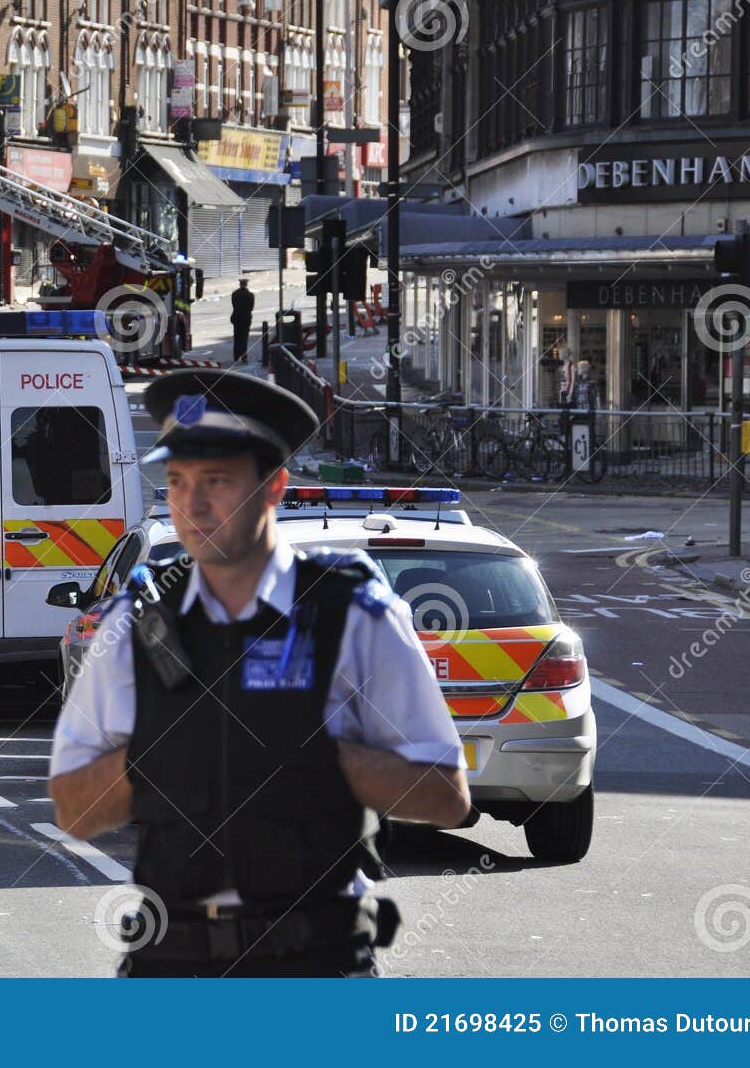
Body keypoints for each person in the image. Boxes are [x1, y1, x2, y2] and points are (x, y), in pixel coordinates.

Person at [49, 369, 470, 977]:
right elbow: (73, 810)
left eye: (216, 481)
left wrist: (313, 755)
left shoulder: (353, 615)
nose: (192, 504)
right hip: (175, 964)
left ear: (274, 486)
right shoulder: (135, 629)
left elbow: (448, 797)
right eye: (177, 481)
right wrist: (160, 755)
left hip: (315, 966)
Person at [229, 279, 255, 364]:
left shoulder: (235, 294)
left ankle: (236, 356)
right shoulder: (250, 295)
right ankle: (244, 357)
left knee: (237, 337)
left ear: (240, 284)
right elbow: (251, 308)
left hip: (236, 318)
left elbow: (234, 305)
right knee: (244, 338)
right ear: (246, 284)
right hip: (246, 319)